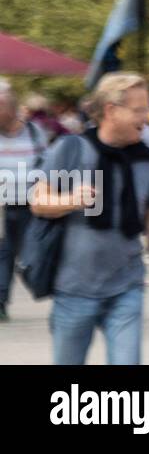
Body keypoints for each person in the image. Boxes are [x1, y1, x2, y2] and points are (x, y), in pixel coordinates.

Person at [29, 73, 149, 364]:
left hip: (126, 287)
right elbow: (38, 202)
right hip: (74, 289)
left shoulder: (148, 161)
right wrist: (70, 200)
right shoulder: (73, 150)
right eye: (139, 109)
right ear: (111, 111)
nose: (146, 117)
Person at [1, 83, 48, 322]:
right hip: (1, 206)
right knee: (3, 252)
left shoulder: (33, 131)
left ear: (11, 108)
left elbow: (46, 162)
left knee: (31, 252)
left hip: (31, 204)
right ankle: (0, 301)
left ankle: (40, 283)